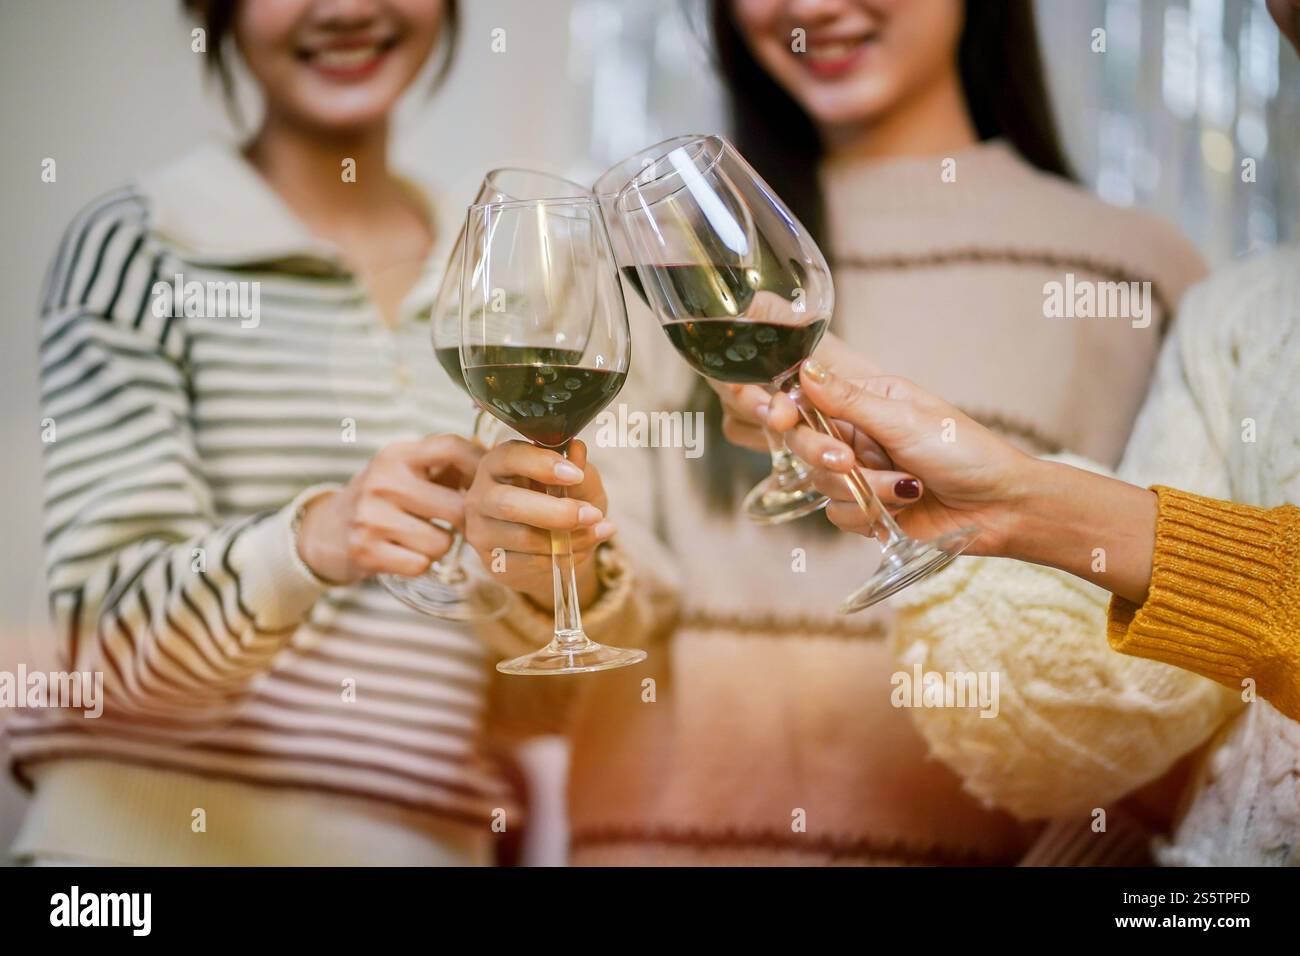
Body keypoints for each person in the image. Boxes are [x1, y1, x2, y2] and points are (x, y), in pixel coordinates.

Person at [464, 0, 1218, 865]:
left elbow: (1185, 702)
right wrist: (539, 563)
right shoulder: (645, 260)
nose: (809, 8)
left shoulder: (1134, 273)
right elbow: (563, 672)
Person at [749, 0, 1300, 866]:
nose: (810, 6)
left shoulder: (1137, 269)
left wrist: (1012, 506)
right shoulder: (703, 274)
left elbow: (1170, 718)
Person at [8, 0, 538, 866]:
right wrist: (312, 541)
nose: (345, 9)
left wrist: (565, 579)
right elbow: (96, 646)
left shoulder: (506, 271)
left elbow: (541, 704)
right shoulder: (139, 246)